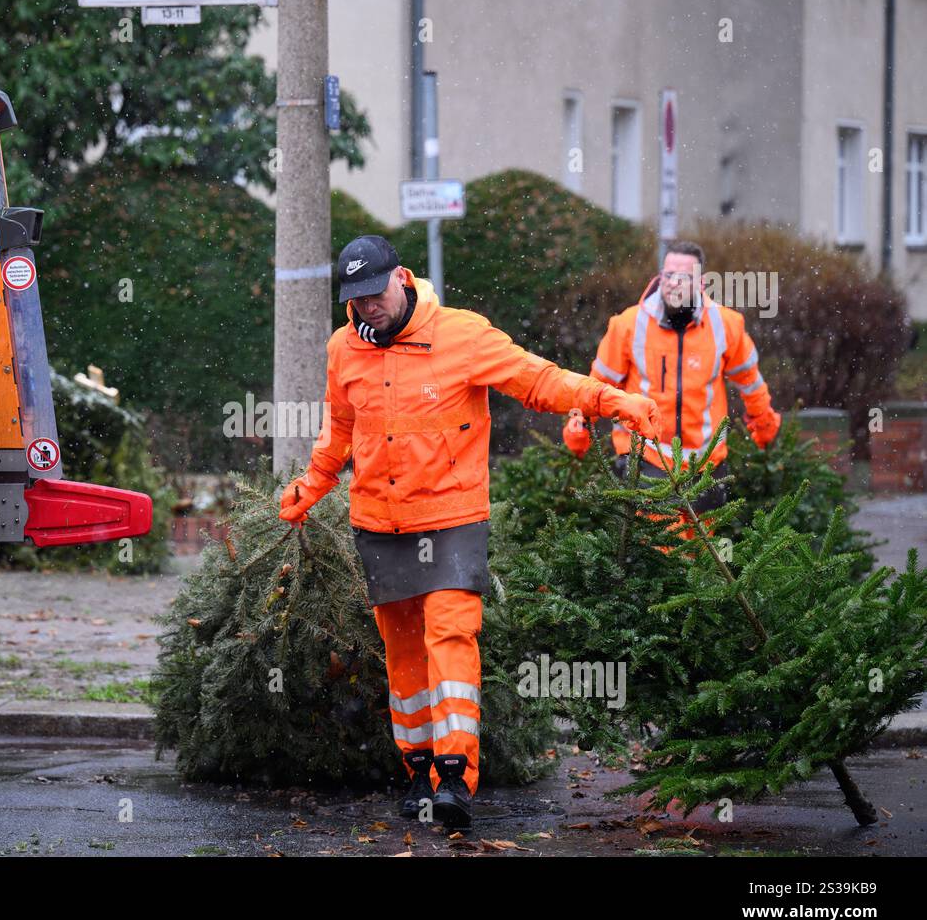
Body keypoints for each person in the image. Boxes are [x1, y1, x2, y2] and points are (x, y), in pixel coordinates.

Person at [277, 235, 662, 829]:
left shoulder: (463, 335)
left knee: (451, 635)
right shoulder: (343, 348)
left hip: (454, 518)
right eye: (355, 301)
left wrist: (610, 400)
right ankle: (419, 772)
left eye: (375, 295)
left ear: (402, 279)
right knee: (403, 654)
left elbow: (540, 380)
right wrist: (312, 484)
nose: (367, 309)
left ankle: (456, 775)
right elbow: (341, 429)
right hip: (379, 522)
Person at [564, 240, 782, 532]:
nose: (674, 284)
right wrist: (578, 434)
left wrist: (765, 427)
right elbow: (597, 386)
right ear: (659, 277)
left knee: (703, 554)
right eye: (669, 275)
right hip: (644, 454)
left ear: (702, 283)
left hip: (706, 462)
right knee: (657, 551)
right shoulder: (628, 325)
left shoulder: (726, 325)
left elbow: (750, 382)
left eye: (685, 277)